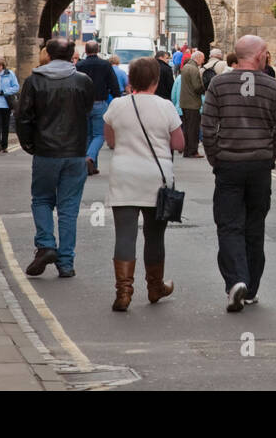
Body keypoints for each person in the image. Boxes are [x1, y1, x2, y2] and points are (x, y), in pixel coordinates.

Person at [201, 34, 276, 312]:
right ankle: (250, 289)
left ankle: (236, 281)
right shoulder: (272, 86)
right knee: (255, 226)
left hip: (228, 165)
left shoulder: (218, 84)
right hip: (260, 166)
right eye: (266, 53)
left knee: (229, 225)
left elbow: (207, 128)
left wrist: (216, 159)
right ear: (260, 54)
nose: (267, 57)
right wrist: (270, 155)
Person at [102, 56, 187, 311]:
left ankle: (124, 292)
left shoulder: (117, 105)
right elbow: (179, 144)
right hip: (156, 178)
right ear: (156, 80)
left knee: (125, 235)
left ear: (130, 80)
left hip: (124, 174)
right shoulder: (165, 107)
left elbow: (111, 141)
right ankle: (155, 287)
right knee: (154, 236)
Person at [16, 37, 95, 278]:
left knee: (41, 200)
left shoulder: (34, 81)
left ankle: (46, 245)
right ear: (72, 55)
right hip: (75, 152)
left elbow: (23, 117)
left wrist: (29, 144)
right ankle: (66, 263)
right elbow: (88, 111)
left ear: (48, 54)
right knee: (69, 209)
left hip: (46, 151)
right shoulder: (83, 81)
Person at [76, 40, 122, 176]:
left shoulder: (79, 65)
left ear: (86, 50)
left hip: (82, 104)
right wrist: (117, 98)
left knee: (88, 135)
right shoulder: (105, 65)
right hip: (99, 103)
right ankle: (89, 157)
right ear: (97, 50)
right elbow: (113, 84)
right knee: (99, 135)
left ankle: (91, 167)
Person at [176, 49, 205, 157]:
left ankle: (187, 150)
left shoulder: (186, 67)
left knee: (188, 128)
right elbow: (196, 87)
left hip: (185, 102)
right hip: (192, 103)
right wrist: (205, 88)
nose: (203, 60)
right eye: (202, 58)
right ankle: (193, 151)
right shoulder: (193, 69)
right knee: (193, 129)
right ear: (198, 58)